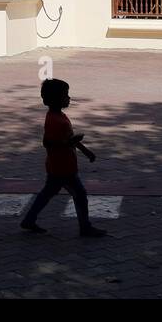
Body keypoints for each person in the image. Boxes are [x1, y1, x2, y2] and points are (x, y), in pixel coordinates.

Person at [20, 78, 107, 238]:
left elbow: (68, 138)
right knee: (80, 195)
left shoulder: (57, 116)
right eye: (65, 95)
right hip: (63, 167)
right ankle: (85, 227)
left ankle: (29, 219)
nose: (69, 98)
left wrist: (84, 150)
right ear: (56, 99)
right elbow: (48, 143)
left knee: (47, 194)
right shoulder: (55, 120)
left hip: (57, 166)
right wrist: (70, 143)